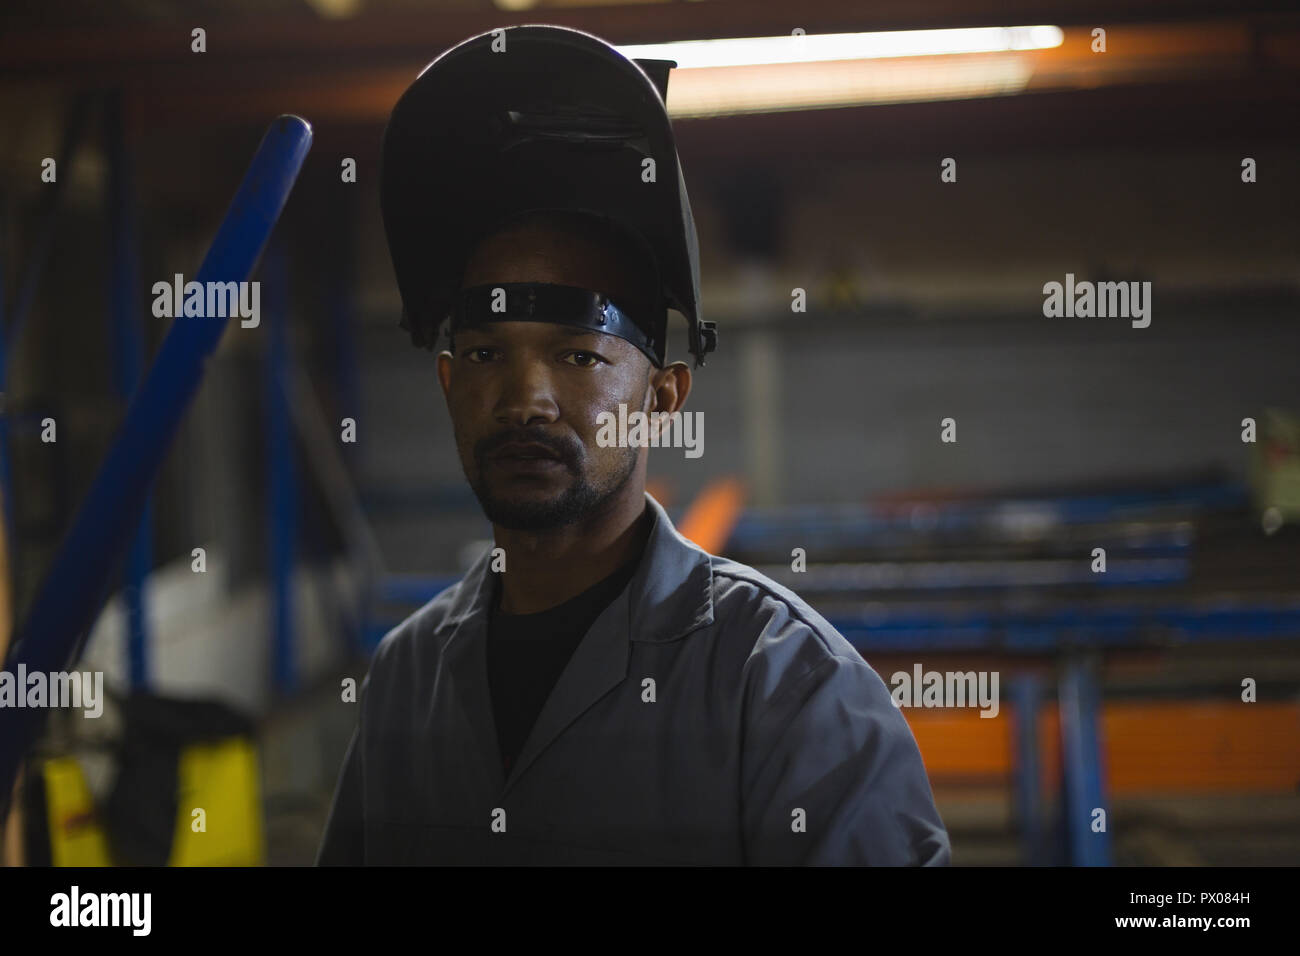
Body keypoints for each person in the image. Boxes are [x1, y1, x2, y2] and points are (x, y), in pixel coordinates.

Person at [317, 24, 949, 865]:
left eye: (578, 356)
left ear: (661, 396)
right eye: (484, 355)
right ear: (446, 383)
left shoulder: (786, 685)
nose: (524, 399)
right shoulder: (407, 679)